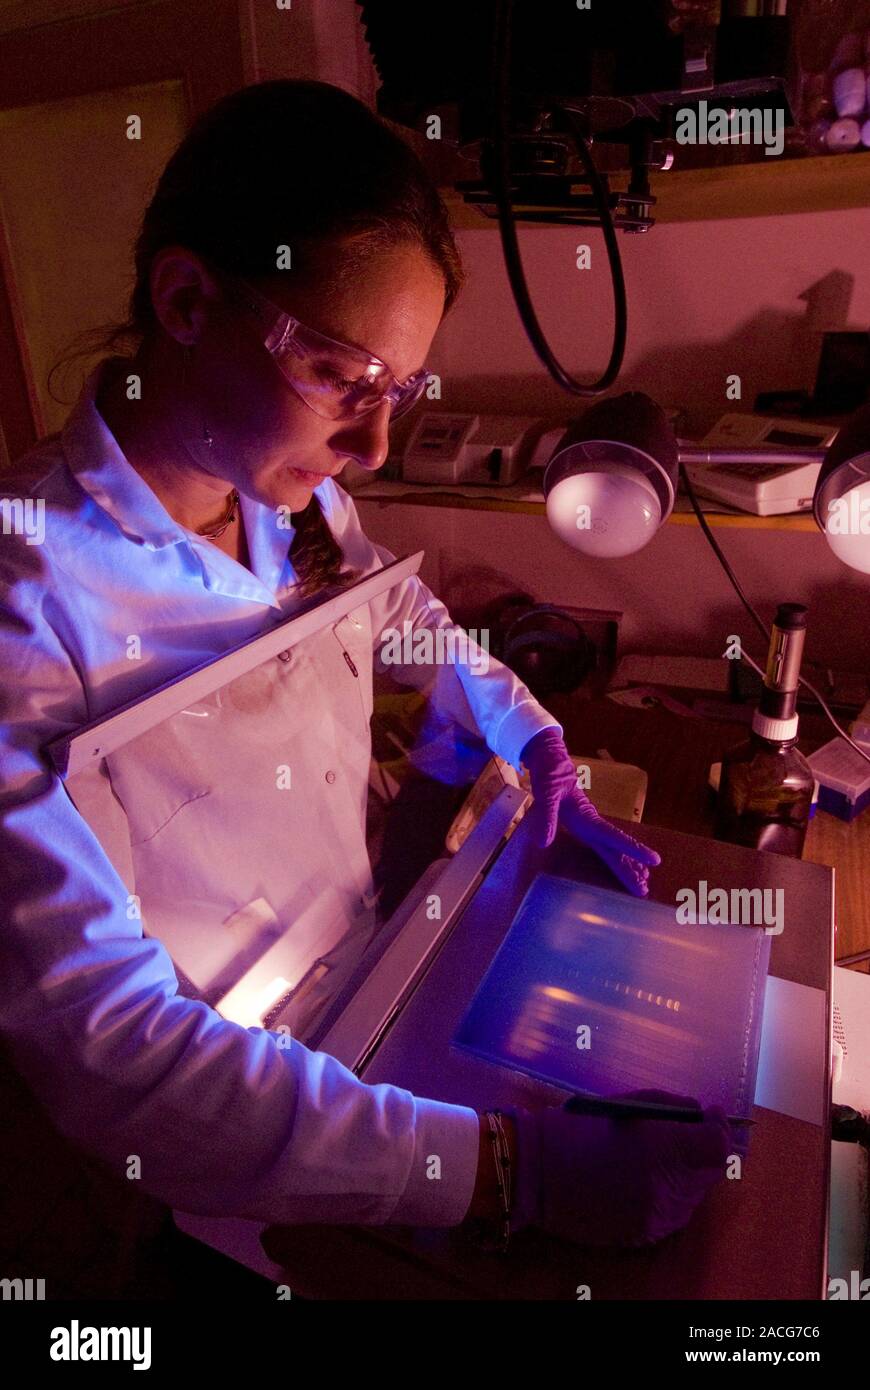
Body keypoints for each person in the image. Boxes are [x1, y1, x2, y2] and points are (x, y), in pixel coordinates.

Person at [0, 79, 729, 1295]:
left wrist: (530, 732)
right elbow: (110, 1049)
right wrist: (499, 1172)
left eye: (399, 391)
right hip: (220, 1140)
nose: (377, 448)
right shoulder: (31, 600)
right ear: (186, 300)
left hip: (368, 993)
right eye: (346, 378)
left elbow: (396, 613)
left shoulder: (287, 495)